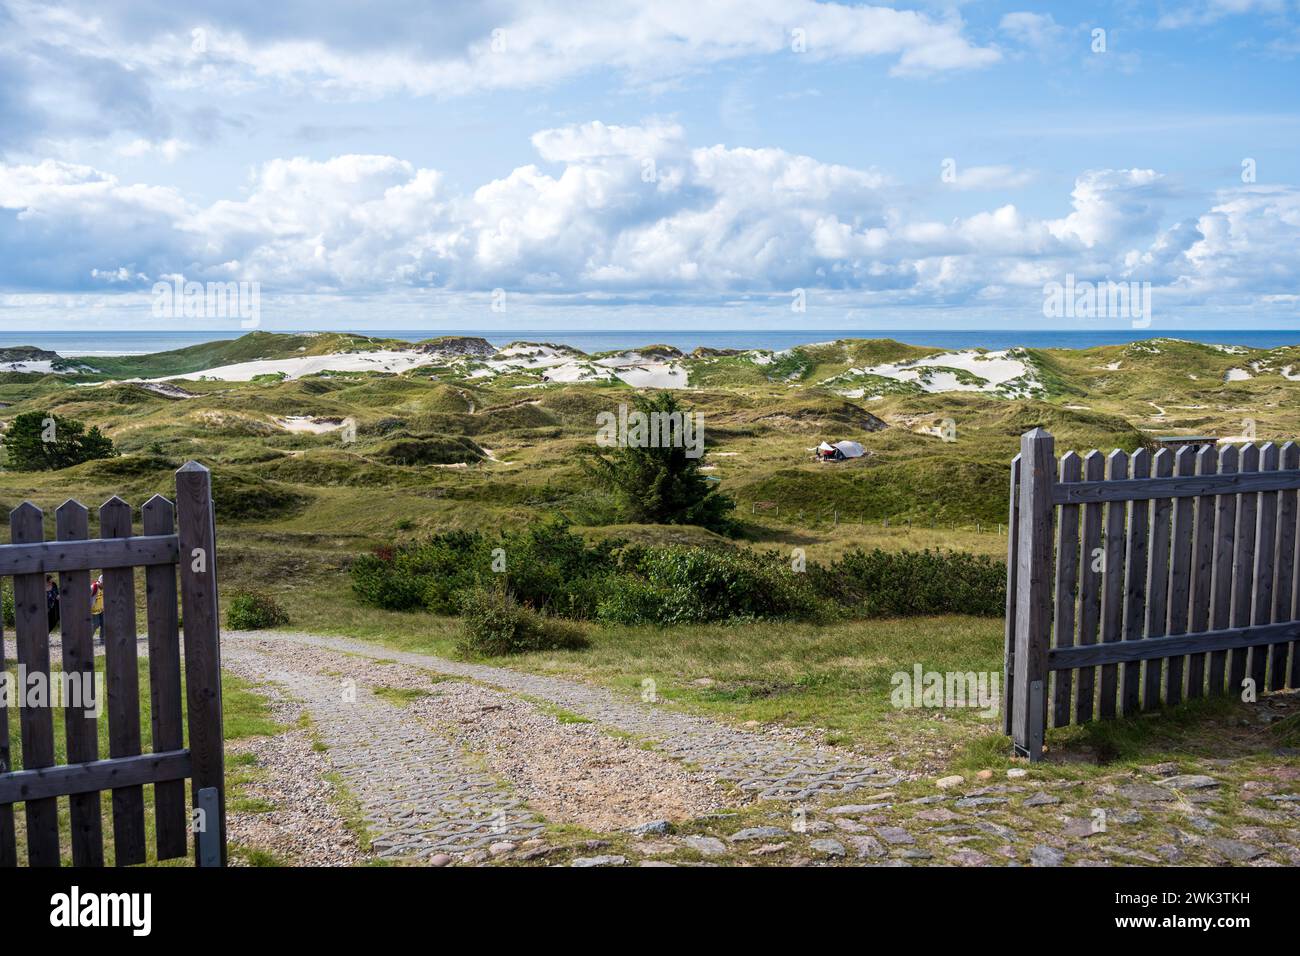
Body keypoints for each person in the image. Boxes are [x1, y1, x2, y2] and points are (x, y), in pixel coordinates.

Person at [90, 574, 105, 644]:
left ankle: (102, 640)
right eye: (103, 583)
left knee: (104, 624)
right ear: (100, 582)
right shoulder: (94, 587)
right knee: (95, 624)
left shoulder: (103, 588)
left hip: (102, 609)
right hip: (93, 611)